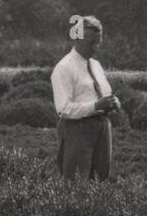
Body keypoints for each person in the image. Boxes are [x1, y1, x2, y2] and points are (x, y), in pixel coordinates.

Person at [50, 15, 120, 180]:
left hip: (102, 129)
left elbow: (105, 93)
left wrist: (114, 102)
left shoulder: (95, 65)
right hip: (77, 130)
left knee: (101, 179)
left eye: (98, 43)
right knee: (76, 182)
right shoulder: (64, 68)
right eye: (91, 43)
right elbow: (64, 109)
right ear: (77, 39)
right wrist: (96, 106)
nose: (95, 48)